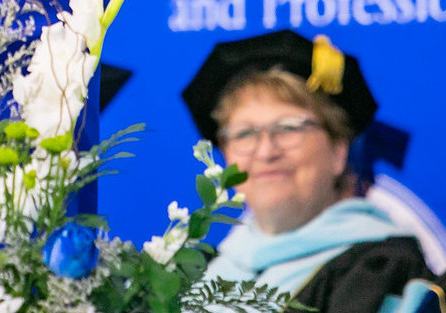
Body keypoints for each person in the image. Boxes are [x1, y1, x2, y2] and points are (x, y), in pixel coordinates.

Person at [182, 30, 441, 313]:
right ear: (227, 154)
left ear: (338, 151)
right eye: (245, 134)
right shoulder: (194, 274)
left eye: (288, 128)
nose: (266, 152)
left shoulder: (379, 270)